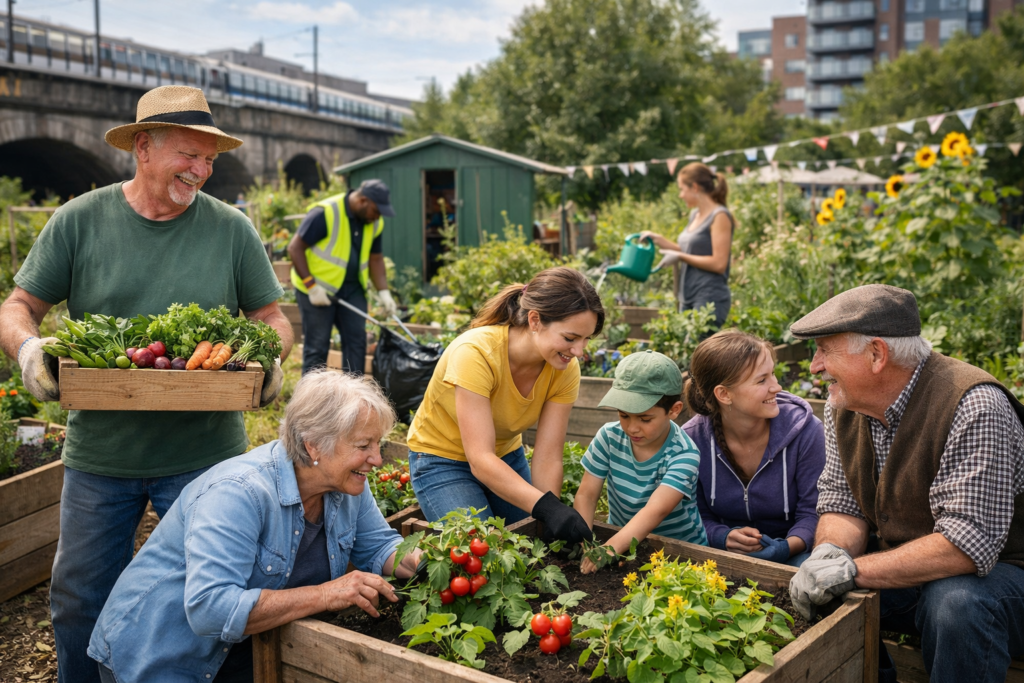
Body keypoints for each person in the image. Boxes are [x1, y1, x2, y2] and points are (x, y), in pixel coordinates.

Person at [0, 85, 292, 683]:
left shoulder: (230, 229)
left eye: (210, 159)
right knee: (79, 595)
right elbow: (18, 304)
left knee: (216, 593)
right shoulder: (79, 220)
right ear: (143, 148)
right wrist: (29, 348)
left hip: (206, 455)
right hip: (101, 454)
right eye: (190, 154)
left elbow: (273, 319)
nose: (202, 170)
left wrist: (271, 359)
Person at [88, 371, 423, 682]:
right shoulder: (239, 493)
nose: (378, 459)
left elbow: (379, 546)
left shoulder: (344, 487)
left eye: (377, 444)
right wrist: (325, 594)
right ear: (313, 445)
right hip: (164, 657)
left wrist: (428, 562)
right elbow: (210, 609)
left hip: (250, 651)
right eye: (364, 446)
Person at [785, 284, 1024, 683]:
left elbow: (967, 546)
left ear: (877, 354)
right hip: (914, 569)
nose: (814, 366)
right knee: (808, 577)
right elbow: (842, 501)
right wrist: (831, 555)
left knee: (955, 602)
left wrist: (851, 570)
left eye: (826, 350)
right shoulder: (845, 404)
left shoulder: (974, 404)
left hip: (1004, 577)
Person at [406, 266, 602, 544]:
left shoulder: (564, 368)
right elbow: (480, 459)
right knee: (480, 549)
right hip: (442, 460)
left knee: (531, 542)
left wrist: (551, 514)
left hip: (505, 458)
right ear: (535, 320)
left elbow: (547, 456)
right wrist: (546, 507)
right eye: (570, 338)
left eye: (586, 339)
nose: (579, 351)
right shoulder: (475, 353)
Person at [683, 330, 825, 567]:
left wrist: (786, 547)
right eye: (762, 380)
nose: (777, 387)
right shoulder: (693, 440)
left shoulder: (807, 432)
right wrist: (722, 536)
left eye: (773, 375)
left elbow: (814, 511)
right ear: (724, 394)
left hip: (796, 553)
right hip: (721, 554)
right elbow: (694, 514)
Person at [574, 350, 708, 573]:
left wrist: (608, 549)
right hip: (623, 542)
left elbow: (655, 510)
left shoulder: (684, 454)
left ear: (674, 411)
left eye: (645, 419)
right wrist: (585, 542)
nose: (632, 428)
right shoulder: (609, 437)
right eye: (623, 415)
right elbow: (586, 495)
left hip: (680, 555)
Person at [288, 179, 398, 375]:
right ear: (363, 201)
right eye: (376, 211)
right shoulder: (326, 213)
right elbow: (295, 248)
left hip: (353, 290)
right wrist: (311, 286)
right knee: (317, 347)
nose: (377, 217)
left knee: (357, 343)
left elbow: (376, 258)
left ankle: (352, 400)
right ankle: (311, 402)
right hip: (317, 290)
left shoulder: (373, 223)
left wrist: (384, 292)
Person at [640, 163, 735, 329]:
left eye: (682, 189)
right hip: (688, 295)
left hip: (709, 298)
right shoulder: (695, 215)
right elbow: (690, 251)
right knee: (687, 350)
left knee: (698, 351)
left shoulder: (719, 216)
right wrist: (659, 239)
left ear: (695, 187)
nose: (680, 195)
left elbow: (719, 264)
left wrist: (680, 256)